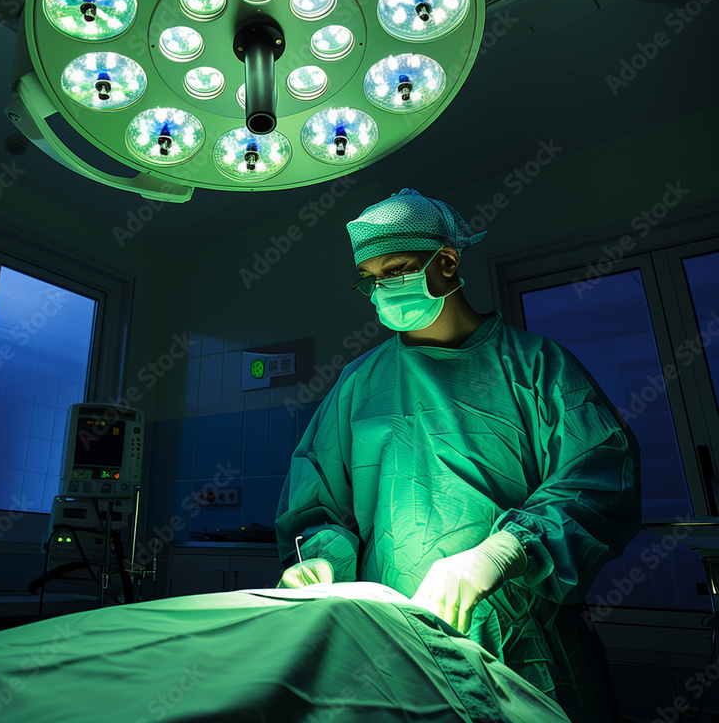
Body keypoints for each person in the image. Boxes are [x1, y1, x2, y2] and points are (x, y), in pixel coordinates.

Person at [274, 189, 641, 723]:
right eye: (370, 279)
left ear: (447, 261)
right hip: (398, 635)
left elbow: (596, 481)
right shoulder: (360, 383)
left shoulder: (538, 366)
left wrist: (503, 552)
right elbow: (319, 503)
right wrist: (322, 558)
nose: (382, 290)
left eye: (395, 270)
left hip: (526, 637)